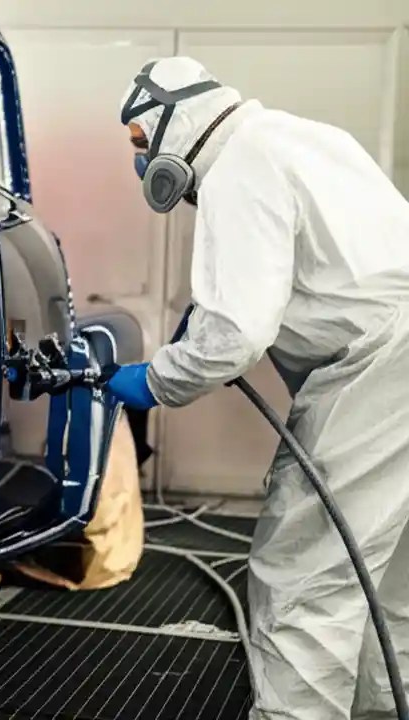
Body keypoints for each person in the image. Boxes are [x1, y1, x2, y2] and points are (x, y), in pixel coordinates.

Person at [108, 56, 409, 719]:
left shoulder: (236, 169)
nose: (140, 162)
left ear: (174, 118)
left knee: (306, 572)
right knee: (390, 576)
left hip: (379, 369)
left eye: (138, 142)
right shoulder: (304, 135)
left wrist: (153, 379)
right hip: (398, 347)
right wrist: (205, 316)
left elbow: (237, 336)